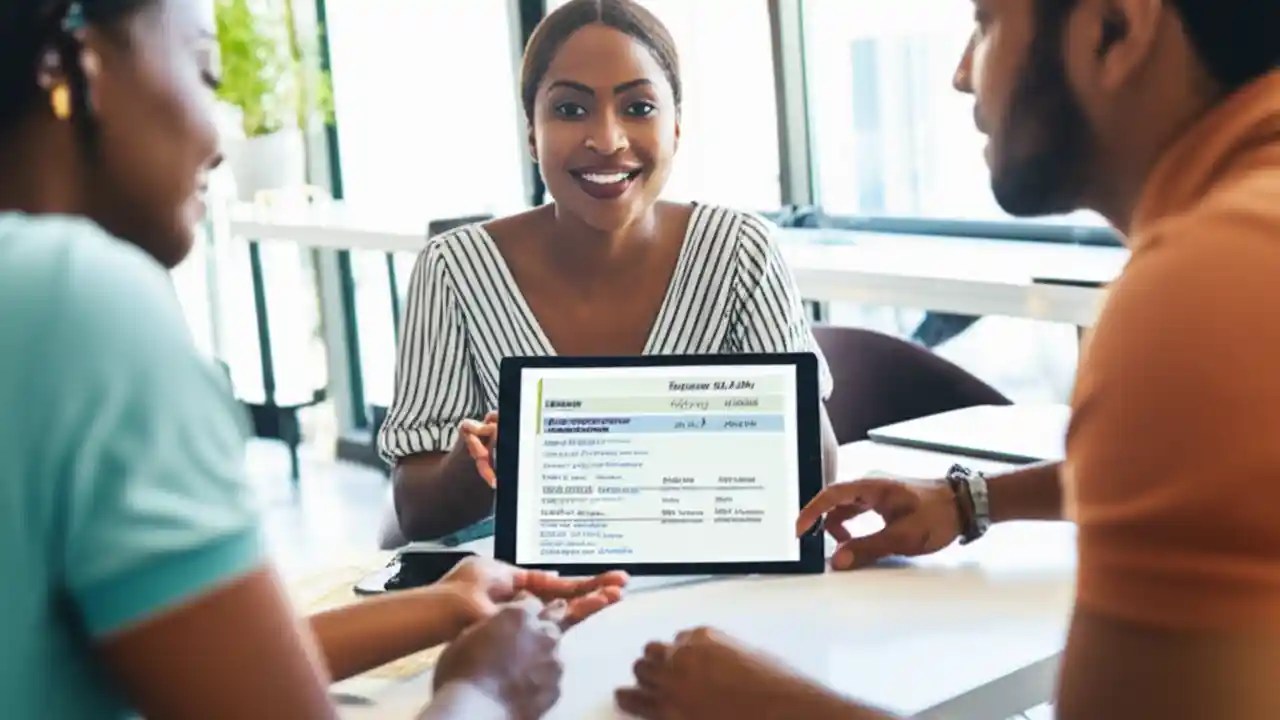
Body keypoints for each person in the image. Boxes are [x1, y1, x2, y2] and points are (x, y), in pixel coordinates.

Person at [617, 0, 1280, 717]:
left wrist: (771, 705)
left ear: (1114, 29)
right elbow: (1202, 464)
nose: (963, 75)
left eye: (987, 24)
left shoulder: (1209, 284)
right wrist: (975, 500)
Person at [0, 1, 626, 718]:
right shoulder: (80, 302)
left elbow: (203, 654)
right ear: (75, 64)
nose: (218, 140)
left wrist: (445, 604)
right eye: (205, 72)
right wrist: (488, 690)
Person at [380, 0, 838, 543]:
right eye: (571, 110)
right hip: (521, 600)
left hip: (707, 583)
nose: (607, 139)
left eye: (639, 107)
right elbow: (416, 513)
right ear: (532, 133)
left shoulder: (741, 251)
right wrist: (479, 462)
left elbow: (817, 473)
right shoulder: (453, 270)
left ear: (676, 128)